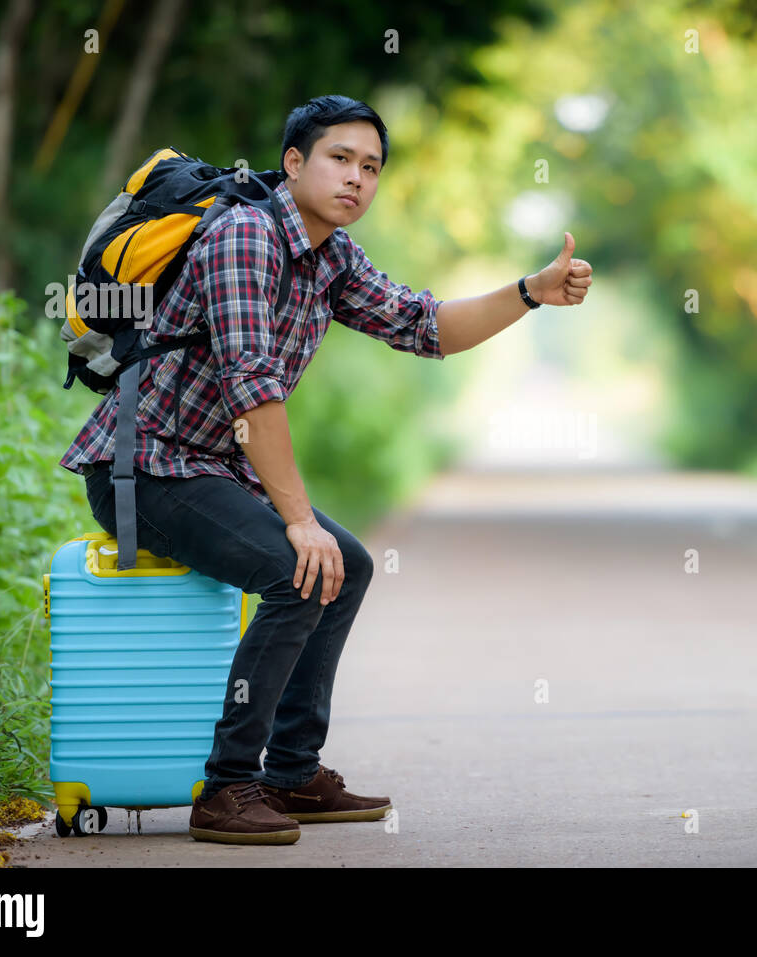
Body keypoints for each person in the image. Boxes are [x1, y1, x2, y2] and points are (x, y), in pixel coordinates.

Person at [60, 94, 593, 845]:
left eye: (371, 167)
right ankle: (228, 787)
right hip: (145, 468)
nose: (356, 179)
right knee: (298, 567)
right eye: (340, 159)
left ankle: (290, 773)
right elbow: (254, 390)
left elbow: (424, 325)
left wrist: (530, 292)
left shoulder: (329, 255)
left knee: (350, 563)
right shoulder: (245, 236)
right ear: (294, 163)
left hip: (211, 466)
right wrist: (299, 520)